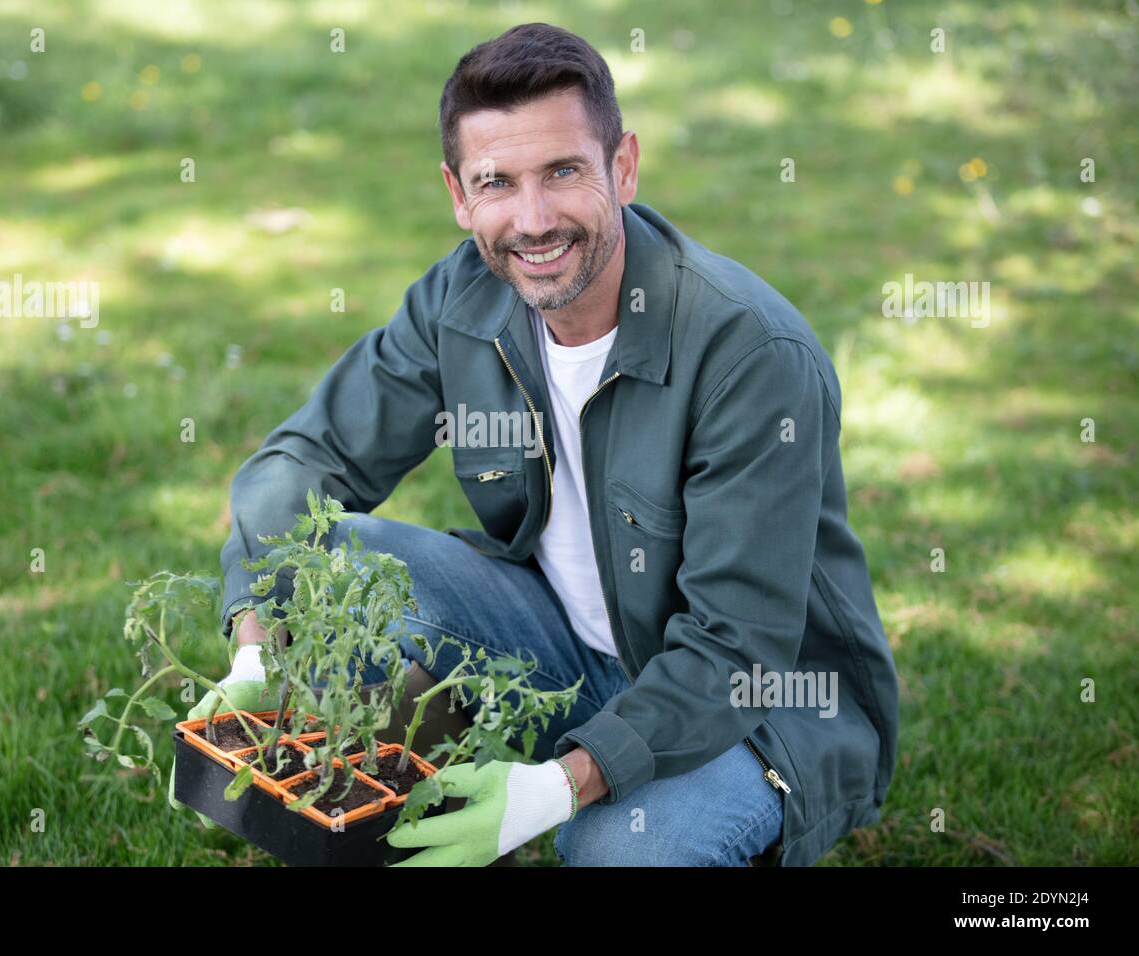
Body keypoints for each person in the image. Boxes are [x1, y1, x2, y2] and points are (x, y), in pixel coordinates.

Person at [173, 22, 899, 867]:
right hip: (561, 642)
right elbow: (303, 463)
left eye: (563, 172)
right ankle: (428, 792)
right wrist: (258, 648)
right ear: (457, 193)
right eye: (498, 182)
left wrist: (558, 788)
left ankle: (617, 802)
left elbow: (735, 648)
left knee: (617, 848)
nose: (533, 219)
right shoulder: (463, 297)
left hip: (760, 708)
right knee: (331, 559)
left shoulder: (749, 356)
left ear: (622, 167)